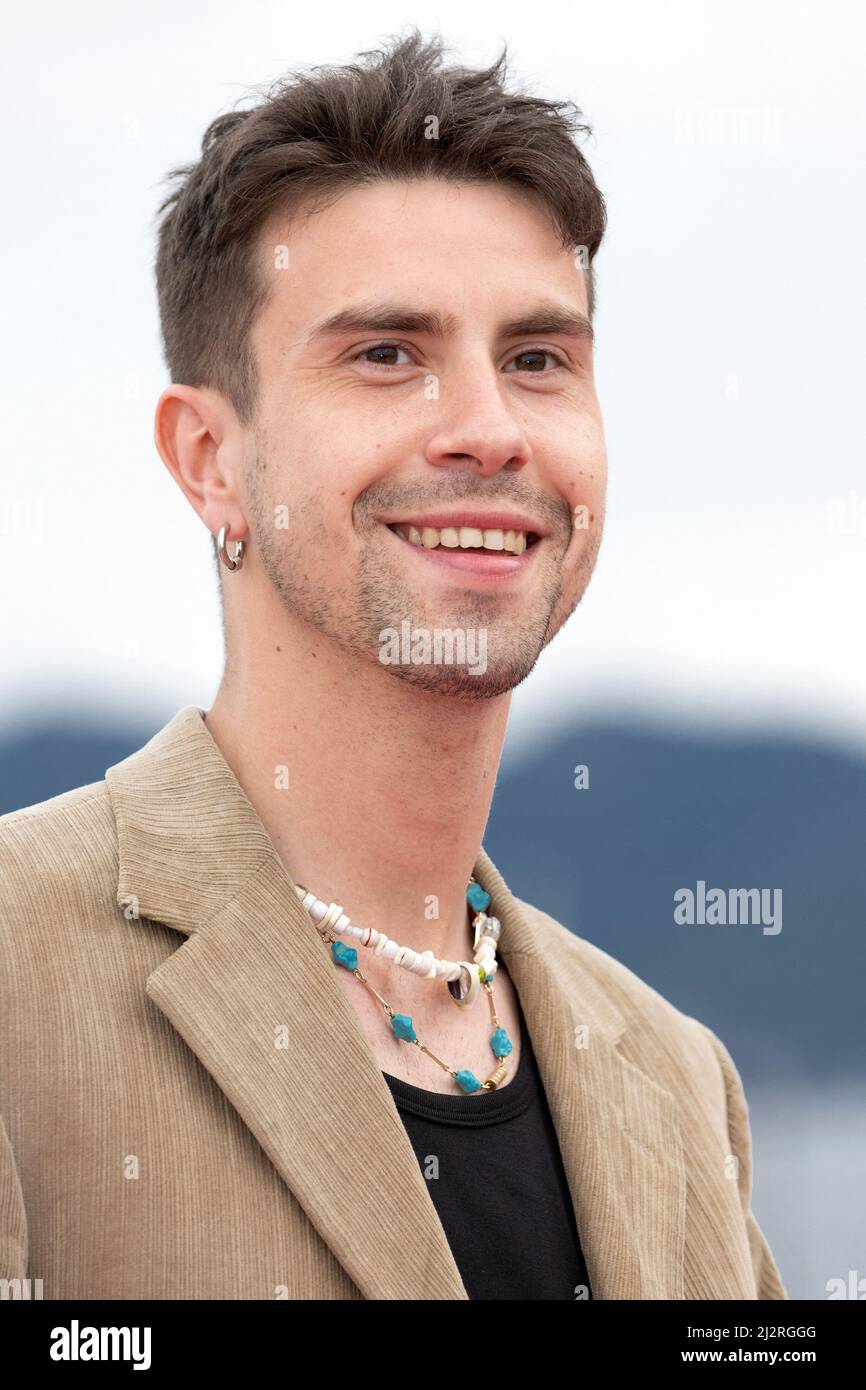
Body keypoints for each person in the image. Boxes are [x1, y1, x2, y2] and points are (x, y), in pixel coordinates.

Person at [0, 29, 786, 1301]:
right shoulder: (13, 975)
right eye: (385, 355)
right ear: (210, 459)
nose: (485, 428)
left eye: (538, 358)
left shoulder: (680, 1081)